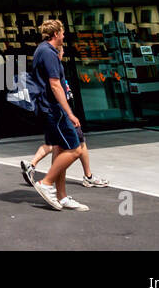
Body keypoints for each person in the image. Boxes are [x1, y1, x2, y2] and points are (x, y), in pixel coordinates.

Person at [21, 44, 108, 189]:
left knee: (55, 145)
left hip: (57, 113)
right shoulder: (51, 65)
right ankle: (77, 178)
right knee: (77, 147)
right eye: (61, 51)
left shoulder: (53, 68)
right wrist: (70, 114)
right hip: (60, 113)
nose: (63, 53)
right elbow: (56, 88)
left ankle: (36, 169)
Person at [24, 20, 89, 211]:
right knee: (76, 149)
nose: (64, 36)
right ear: (55, 34)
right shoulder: (47, 52)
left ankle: (62, 197)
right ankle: (46, 183)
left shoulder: (45, 51)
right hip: (54, 109)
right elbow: (54, 84)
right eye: (62, 33)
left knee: (60, 150)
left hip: (48, 108)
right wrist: (69, 113)